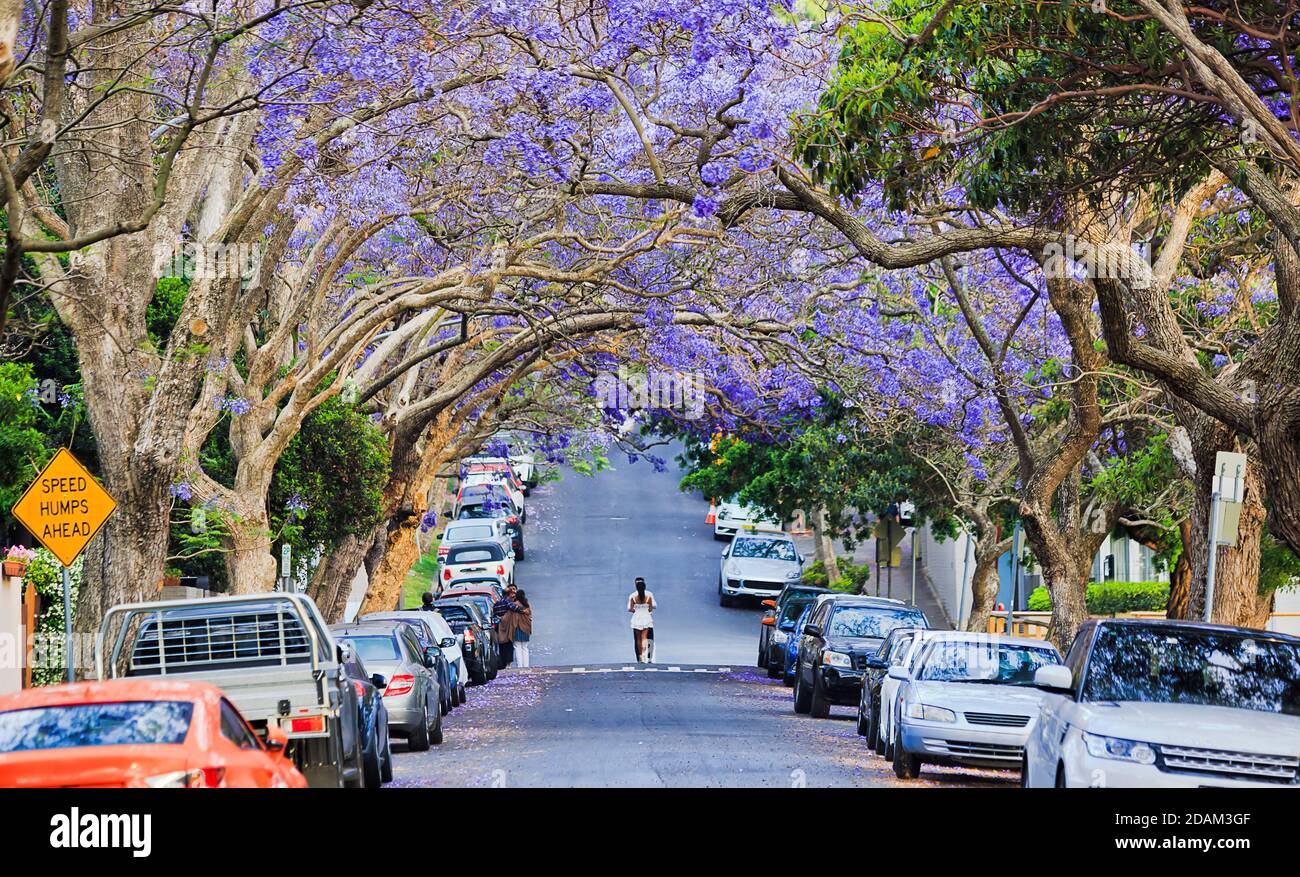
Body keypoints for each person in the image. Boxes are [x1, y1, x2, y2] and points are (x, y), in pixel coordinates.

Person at [494, 584, 522, 668]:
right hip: (507, 626)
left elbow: (494, 613)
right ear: (508, 594)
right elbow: (515, 608)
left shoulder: (497, 603)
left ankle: (503, 662)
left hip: (499, 626)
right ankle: (508, 663)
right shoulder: (507, 602)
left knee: (501, 644)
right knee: (509, 644)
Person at [627, 577, 655, 662]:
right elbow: (650, 609)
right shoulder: (648, 597)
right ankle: (646, 655)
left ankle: (640, 656)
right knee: (644, 638)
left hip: (636, 618)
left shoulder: (633, 597)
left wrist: (637, 610)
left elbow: (630, 609)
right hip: (646, 617)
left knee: (638, 639)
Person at [511, 589, 533, 668]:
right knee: (525, 647)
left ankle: (520, 666)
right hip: (526, 627)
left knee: (517, 647)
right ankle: (526, 665)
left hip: (517, 627)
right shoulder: (527, 605)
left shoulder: (515, 605)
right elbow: (530, 616)